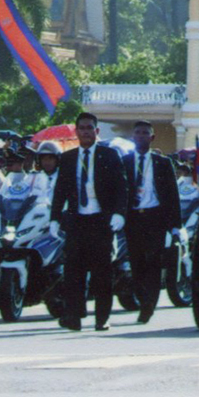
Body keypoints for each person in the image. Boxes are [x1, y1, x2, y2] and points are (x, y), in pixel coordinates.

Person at [50, 111, 128, 331]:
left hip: (101, 221)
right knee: (73, 272)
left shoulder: (110, 155)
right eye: (81, 128)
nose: (85, 132)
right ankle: (73, 317)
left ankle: (102, 318)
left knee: (102, 273)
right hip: (77, 221)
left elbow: (122, 188)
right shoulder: (68, 158)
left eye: (89, 128)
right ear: (77, 132)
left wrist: (119, 214)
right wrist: (55, 218)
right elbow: (60, 191)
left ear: (96, 131)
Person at [122, 120, 180, 324]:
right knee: (137, 261)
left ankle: (149, 304)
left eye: (145, 133)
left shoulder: (162, 163)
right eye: (137, 132)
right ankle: (142, 296)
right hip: (133, 217)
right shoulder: (125, 161)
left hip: (155, 216)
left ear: (152, 137)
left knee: (154, 261)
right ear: (133, 137)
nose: (141, 136)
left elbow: (173, 195)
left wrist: (175, 226)